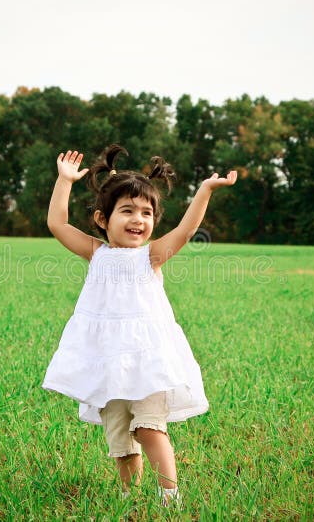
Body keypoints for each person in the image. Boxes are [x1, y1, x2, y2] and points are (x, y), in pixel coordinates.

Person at [42, 144, 236, 505]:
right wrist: (64, 181)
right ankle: (128, 496)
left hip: (150, 362)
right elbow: (57, 223)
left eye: (146, 213)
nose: (138, 219)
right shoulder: (96, 254)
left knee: (149, 427)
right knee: (121, 442)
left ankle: (170, 496)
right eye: (127, 210)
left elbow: (186, 229)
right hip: (109, 364)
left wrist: (205, 190)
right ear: (103, 219)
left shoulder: (151, 256)